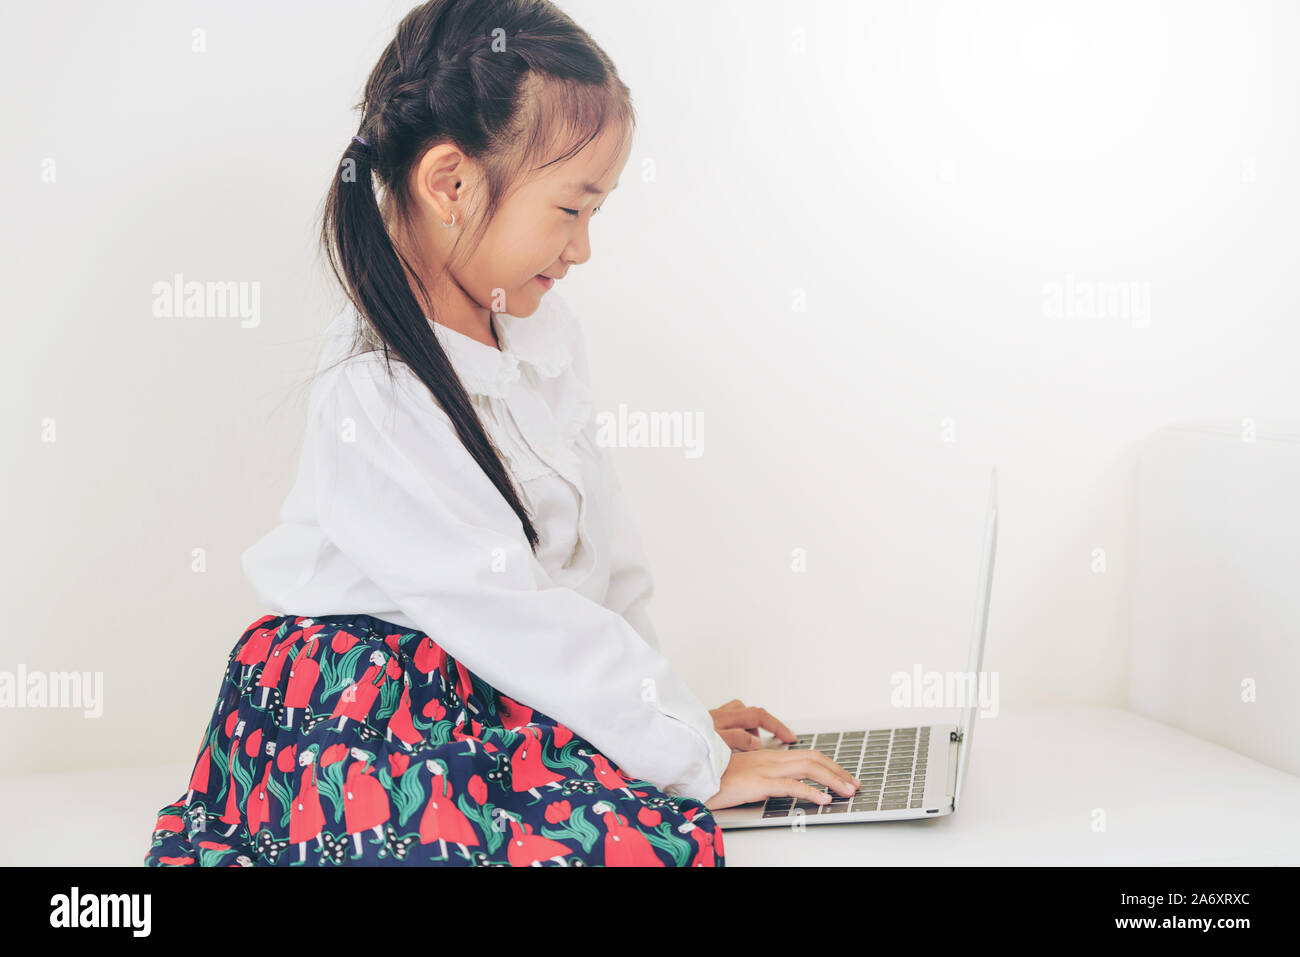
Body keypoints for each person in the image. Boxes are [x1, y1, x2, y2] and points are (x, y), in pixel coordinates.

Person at [144, 0, 859, 868]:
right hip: (357, 701)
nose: (584, 248)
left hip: (489, 681)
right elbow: (508, 613)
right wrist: (689, 762)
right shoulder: (375, 383)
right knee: (585, 848)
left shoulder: (543, 337)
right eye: (571, 209)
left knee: (631, 816)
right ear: (450, 184)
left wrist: (667, 722)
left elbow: (599, 565)